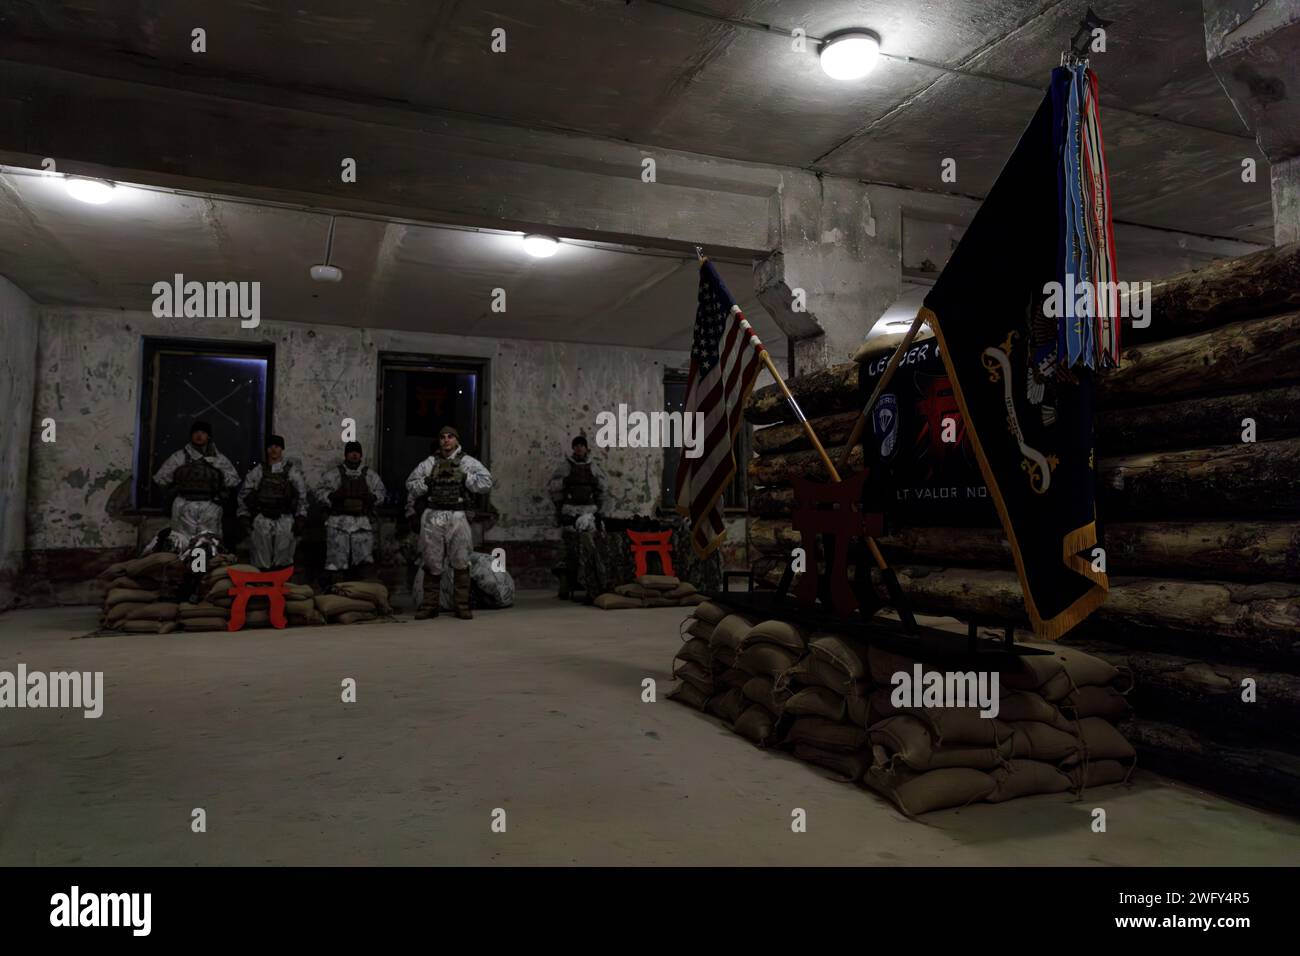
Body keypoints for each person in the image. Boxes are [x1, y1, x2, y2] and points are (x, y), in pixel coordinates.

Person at [404, 425, 493, 620]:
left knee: (461, 561)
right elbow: (410, 485)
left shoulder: (467, 463)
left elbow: (487, 482)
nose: (446, 440)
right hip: (433, 514)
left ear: (456, 440)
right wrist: (426, 482)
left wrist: (465, 477)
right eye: (442, 437)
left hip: (457, 515)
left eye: (450, 437)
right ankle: (429, 606)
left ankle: (461, 605)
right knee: (432, 561)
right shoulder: (429, 463)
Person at [153, 419, 241, 549]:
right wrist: (179, 476)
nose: (199, 435)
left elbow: (234, 480)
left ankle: (203, 568)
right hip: (184, 505)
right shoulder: (179, 457)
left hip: (210, 506)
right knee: (181, 543)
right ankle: (184, 568)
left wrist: (217, 472)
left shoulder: (218, 459)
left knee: (208, 544)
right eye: (196, 432)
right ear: (191, 435)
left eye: (203, 432)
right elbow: (160, 479)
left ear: (208, 436)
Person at [313, 440, 387, 583]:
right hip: (338, 523)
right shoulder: (333, 474)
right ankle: (337, 595)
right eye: (351, 452)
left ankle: (360, 597)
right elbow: (319, 492)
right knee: (336, 566)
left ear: (360, 455)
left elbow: (381, 494)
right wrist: (332, 496)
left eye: (357, 452)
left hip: (361, 523)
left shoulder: (370, 475)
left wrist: (372, 498)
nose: (354, 455)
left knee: (363, 565)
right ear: (346, 454)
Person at [547, 435, 610, 600]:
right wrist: (566, 481)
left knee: (590, 549)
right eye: (577, 446)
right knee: (567, 551)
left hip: (589, 513)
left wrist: (595, 481)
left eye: (582, 445)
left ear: (586, 448)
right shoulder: (565, 466)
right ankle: (565, 586)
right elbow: (552, 487)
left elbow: (604, 488)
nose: (579, 448)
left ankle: (591, 584)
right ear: (573, 448)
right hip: (570, 513)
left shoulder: (593, 466)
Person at [237, 435, 307, 571]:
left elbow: (302, 497)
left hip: (285, 519)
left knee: (283, 560)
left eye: (277, 446)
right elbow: (244, 495)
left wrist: (301, 517)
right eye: (270, 447)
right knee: (261, 561)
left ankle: (281, 586)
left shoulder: (292, 472)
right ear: (267, 450)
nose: (274, 449)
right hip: (262, 519)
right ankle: (262, 587)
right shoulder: (258, 471)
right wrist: (243, 515)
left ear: (282, 449)